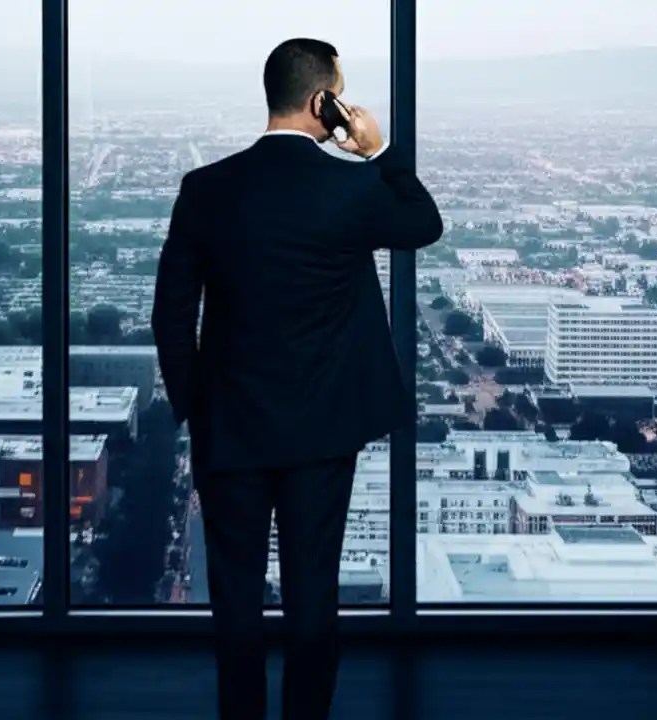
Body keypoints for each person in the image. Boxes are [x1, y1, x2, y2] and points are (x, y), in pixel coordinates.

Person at [151, 37, 443, 720]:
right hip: (323, 429)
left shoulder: (205, 188)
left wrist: (195, 406)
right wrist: (376, 151)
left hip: (230, 428)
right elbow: (424, 224)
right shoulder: (352, 187)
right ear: (324, 102)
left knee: (235, 601)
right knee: (314, 597)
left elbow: (171, 314)